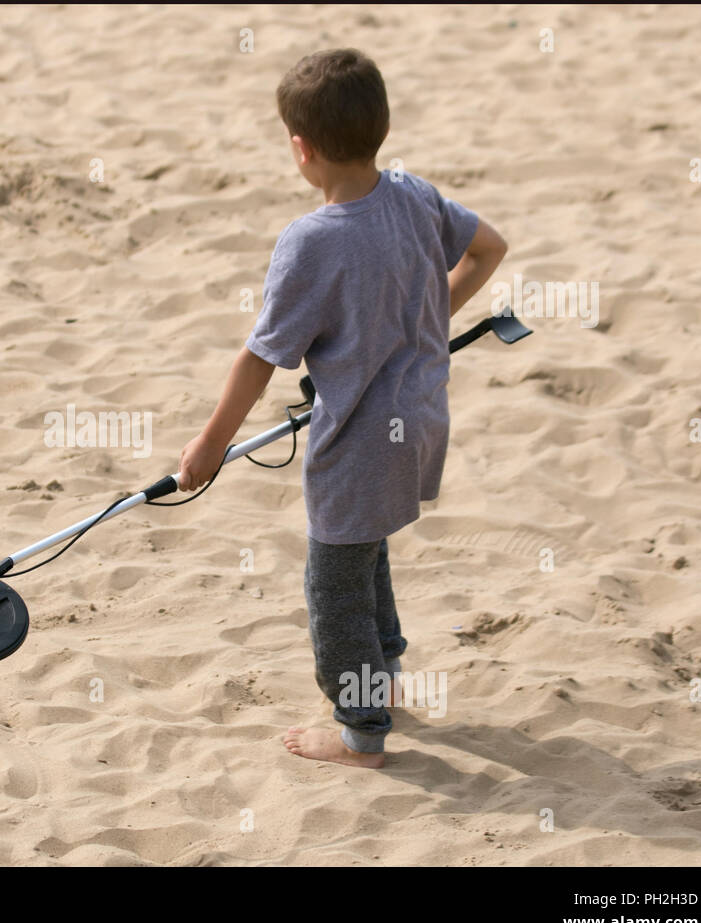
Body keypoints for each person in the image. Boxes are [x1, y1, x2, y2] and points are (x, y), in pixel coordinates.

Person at [176, 49, 508, 768]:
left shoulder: (310, 242)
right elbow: (489, 249)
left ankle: (359, 729)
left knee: (334, 588)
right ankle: (383, 679)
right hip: (420, 421)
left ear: (302, 148)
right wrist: (424, 322)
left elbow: (259, 358)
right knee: (368, 552)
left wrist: (207, 447)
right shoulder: (416, 196)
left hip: (359, 443)